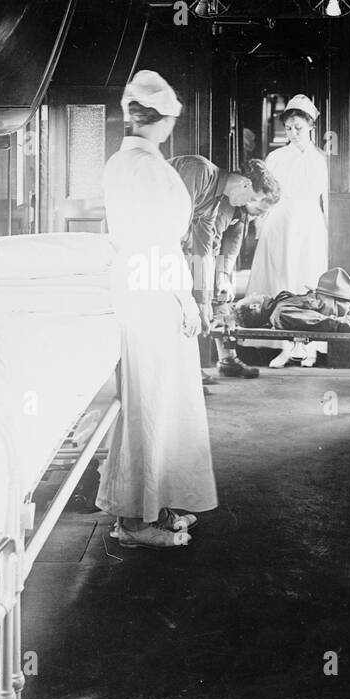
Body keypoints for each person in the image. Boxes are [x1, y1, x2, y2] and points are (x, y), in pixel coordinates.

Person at [97, 71, 218, 550]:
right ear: (161, 120)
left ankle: (154, 502)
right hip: (153, 291)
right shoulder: (145, 168)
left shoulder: (124, 163)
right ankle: (134, 520)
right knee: (151, 402)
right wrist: (183, 298)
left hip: (142, 285)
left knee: (159, 401)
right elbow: (156, 243)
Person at [170, 154, 281, 379]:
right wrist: (201, 291)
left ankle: (220, 361)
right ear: (245, 184)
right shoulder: (199, 171)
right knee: (182, 300)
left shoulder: (216, 201)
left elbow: (207, 248)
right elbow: (177, 225)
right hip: (157, 241)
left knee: (209, 294)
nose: (258, 211)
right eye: (256, 200)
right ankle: (187, 369)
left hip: (180, 248)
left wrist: (212, 289)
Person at [246, 94, 329, 367]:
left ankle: (310, 347)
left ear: (311, 128)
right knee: (281, 281)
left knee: (306, 281)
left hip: (307, 224)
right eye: (289, 128)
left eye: (299, 128)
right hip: (280, 221)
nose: (293, 133)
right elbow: (268, 194)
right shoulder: (276, 157)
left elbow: (325, 200)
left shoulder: (319, 160)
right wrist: (261, 221)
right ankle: (284, 345)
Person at [233, 267, 350, 335]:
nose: (256, 293)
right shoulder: (282, 313)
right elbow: (327, 322)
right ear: (255, 306)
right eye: (253, 296)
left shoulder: (280, 305)